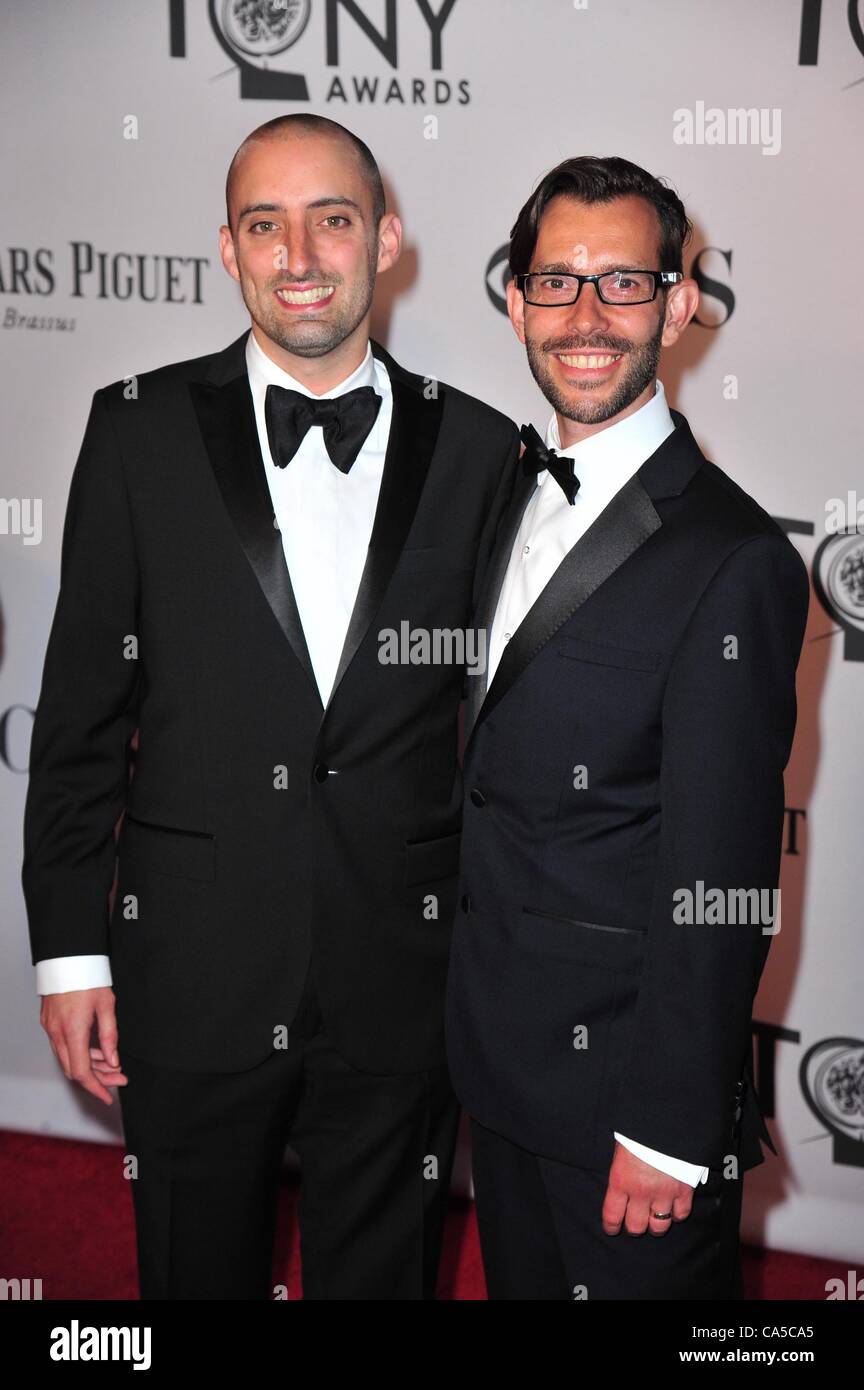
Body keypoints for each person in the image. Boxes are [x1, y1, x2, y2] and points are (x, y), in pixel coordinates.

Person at [22, 113, 519, 1300]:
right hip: (189, 964)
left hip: (401, 970)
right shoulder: (135, 428)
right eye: (266, 225)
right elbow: (80, 714)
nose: (300, 254)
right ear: (230, 251)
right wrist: (67, 952)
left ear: (387, 239)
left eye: (333, 218)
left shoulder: (484, 447)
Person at [445, 155, 810, 1300]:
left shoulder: (735, 559)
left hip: (626, 1117)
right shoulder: (495, 487)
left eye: (623, 283)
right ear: (515, 299)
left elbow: (724, 874)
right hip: (495, 1070)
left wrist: (667, 1125)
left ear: (680, 301)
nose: (587, 317)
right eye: (557, 282)